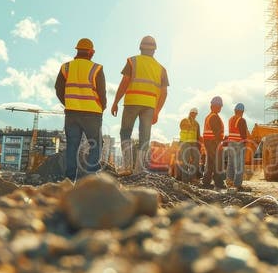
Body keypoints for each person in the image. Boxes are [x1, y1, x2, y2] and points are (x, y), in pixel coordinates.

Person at [111, 36, 168, 176]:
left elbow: (125, 81)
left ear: (140, 47)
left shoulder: (132, 61)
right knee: (145, 137)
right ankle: (139, 169)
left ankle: (127, 167)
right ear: (155, 50)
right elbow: (164, 92)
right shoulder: (161, 69)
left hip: (132, 101)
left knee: (125, 132)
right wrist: (157, 111)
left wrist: (116, 101)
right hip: (149, 106)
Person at [54, 38, 106, 180]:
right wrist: (103, 107)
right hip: (92, 113)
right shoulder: (97, 68)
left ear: (77, 50)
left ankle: (70, 179)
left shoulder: (66, 67)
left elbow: (58, 88)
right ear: (91, 52)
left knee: (72, 146)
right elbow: (102, 92)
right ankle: (90, 178)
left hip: (72, 113)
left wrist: (68, 103)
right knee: (96, 144)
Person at [201, 96, 226, 189]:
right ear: (214, 106)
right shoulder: (214, 117)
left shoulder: (209, 116)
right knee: (217, 162)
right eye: (219, 106)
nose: (220, 108)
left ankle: (206, 182)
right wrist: (219, 143)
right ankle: (218, 183)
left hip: (209, 141)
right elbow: (217, 132)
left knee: (211, 162)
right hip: (213, 142)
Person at [225, 103, 250, 192]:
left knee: (231, 164)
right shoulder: (241, 120)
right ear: (242, 111)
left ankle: (229, 182)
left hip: (230, 143)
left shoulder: (230, 119)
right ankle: (237, 185)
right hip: (239, 144)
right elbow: (243, 135)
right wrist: (246, 142)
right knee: (239, 165)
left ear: (235, 110)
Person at [176, 107, 202, 183]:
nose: (194, 114)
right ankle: (184, 180)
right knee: (185, 160)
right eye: (192, 113)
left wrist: (198, 146)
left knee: (196, 159)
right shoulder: (184, 120)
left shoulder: (197, 123)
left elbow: (198, 135)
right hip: (184, 142)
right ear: (190, 113)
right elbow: (182, 127)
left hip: (193, 143)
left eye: (195, 113)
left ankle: (191, 177)